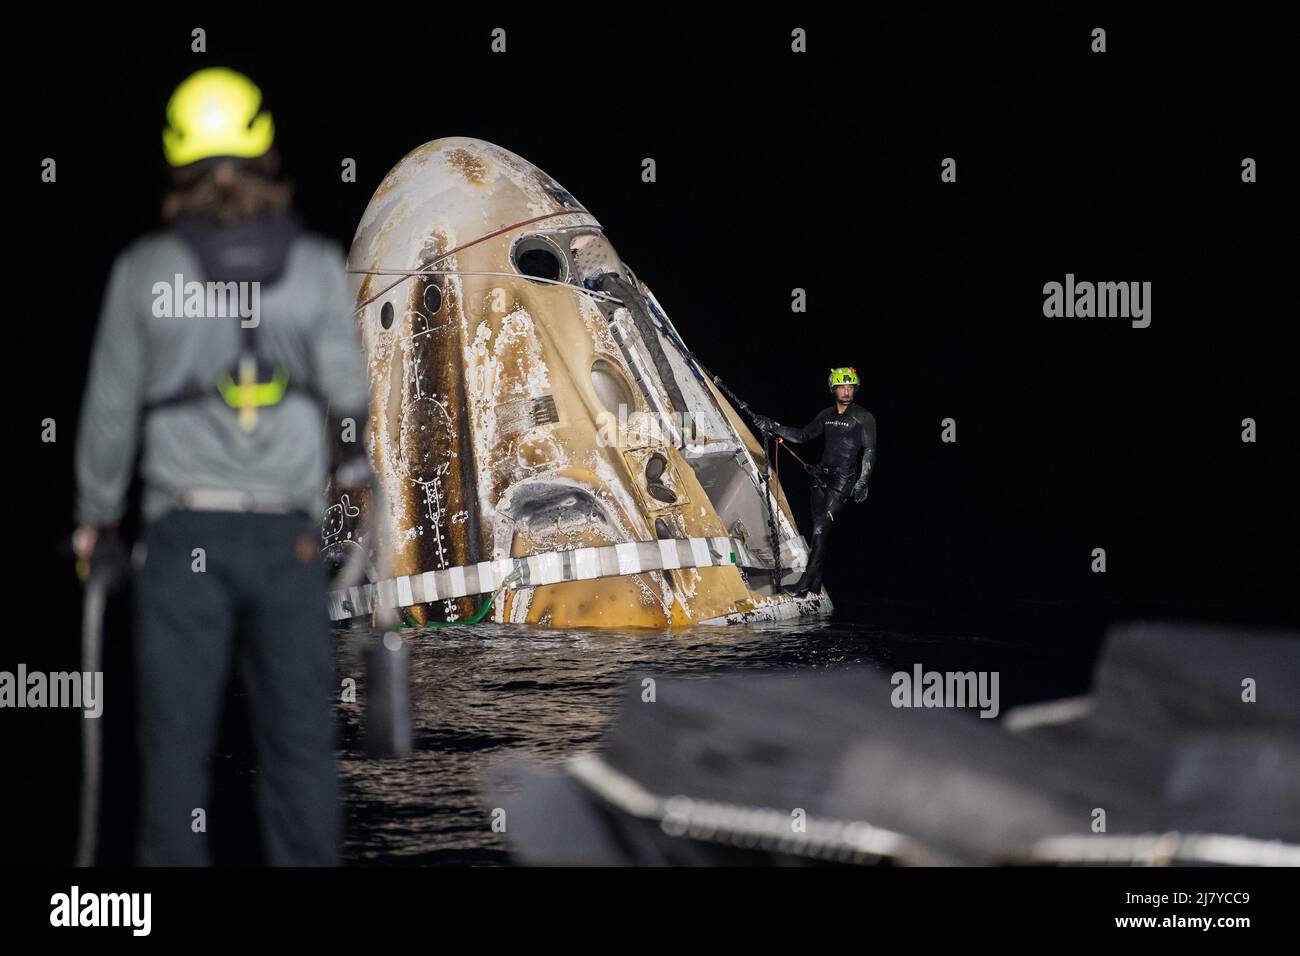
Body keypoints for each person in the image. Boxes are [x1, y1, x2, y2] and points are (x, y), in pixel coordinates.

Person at [72, 67, 370, 865]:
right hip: (289, 545)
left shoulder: (143, 271)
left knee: (173, 757)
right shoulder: (312, 267)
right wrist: (350, 474)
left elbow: (107, 413)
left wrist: (97, 522)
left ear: (176, 159)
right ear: (265, 148)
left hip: (180, 545)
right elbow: (349, 398)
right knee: (302, 751)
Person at [750, 367, 875, 597]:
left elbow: (869, 451)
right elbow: (802, 435)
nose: (846, 392)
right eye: (841, 387)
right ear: (833, 389)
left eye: (850, 387)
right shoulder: (826, 415)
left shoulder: (864, 417)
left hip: (842, 483)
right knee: (819, 531)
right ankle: (816, 582)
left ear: (855, 389)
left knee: (819, 529)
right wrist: (771, 425)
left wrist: (862, 482)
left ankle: (804, 584)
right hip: (821, 478)